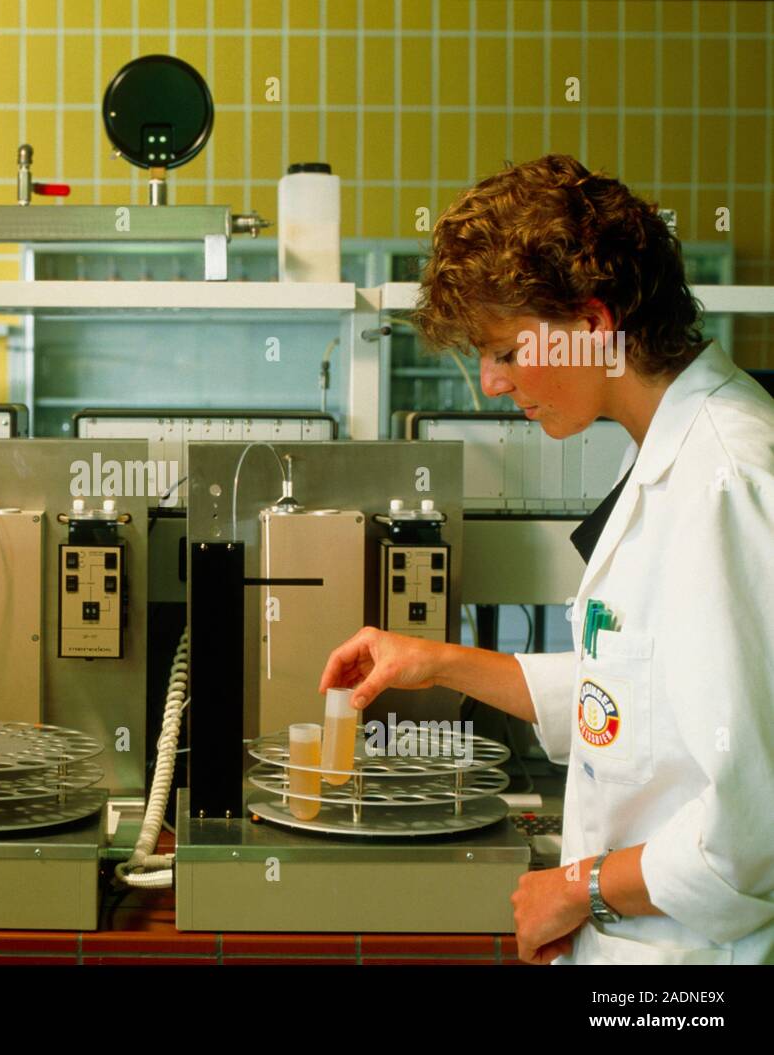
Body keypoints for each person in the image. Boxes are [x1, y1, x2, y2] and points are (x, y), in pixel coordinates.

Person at [319, 155, 774, 965]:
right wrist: (434, 660)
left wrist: (578, 886)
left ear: (594, 326)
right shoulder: (670, 451)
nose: (492, 385)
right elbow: (637, 695)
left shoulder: (728, 478)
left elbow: (755, 823)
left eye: (504, 351)